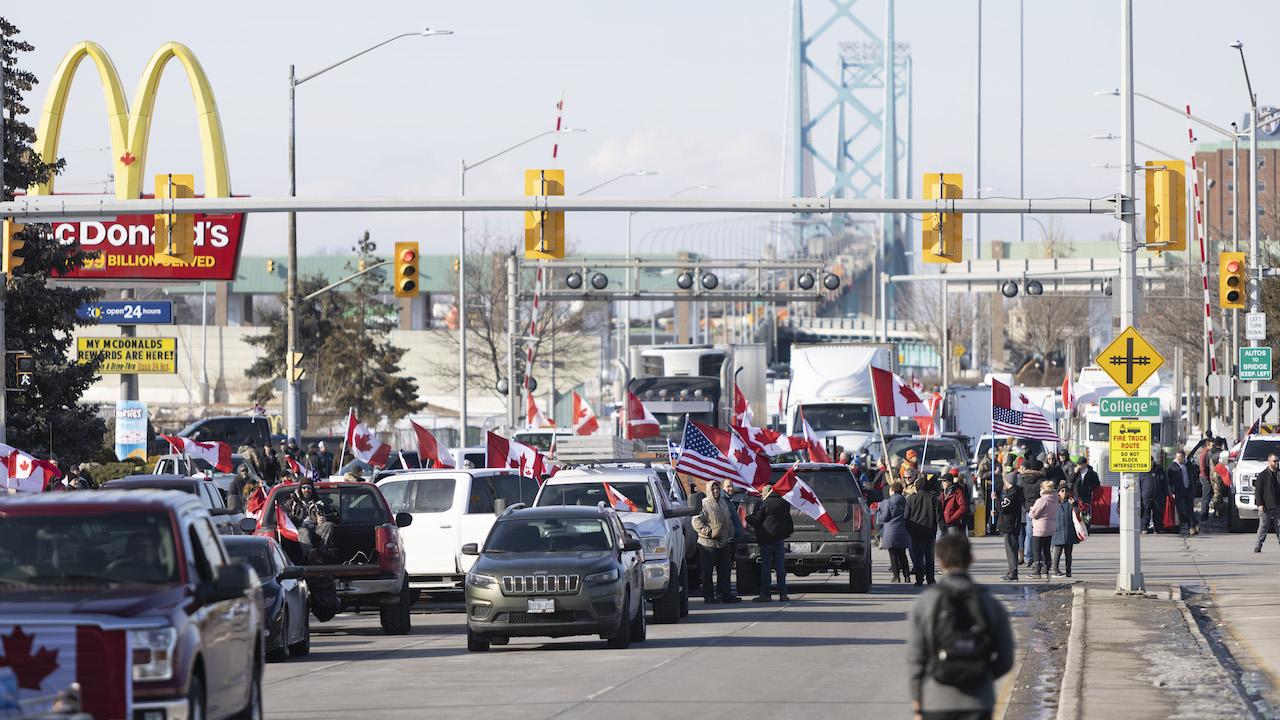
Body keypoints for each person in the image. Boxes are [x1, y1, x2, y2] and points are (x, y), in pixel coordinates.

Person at [907, 534, 1015, 720]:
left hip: (936, 702)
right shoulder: (989, 603)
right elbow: (1006, 659)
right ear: (971, 559)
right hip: (979, 703)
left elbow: (916, 659)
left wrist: (917, 702)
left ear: (940, 561)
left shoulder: (925, 603)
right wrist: (980, 676)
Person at [747, 482, 793, 602]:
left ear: (765, 493)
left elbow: (756, 520)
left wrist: (748, 517)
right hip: (779, 540)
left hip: (765, 539)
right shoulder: (784, 503)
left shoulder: (763, 503)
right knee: (780, 568)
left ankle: (765, 594)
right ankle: (783, 594)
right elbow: (788, 520)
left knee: (766, 567)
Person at [692, 481, 736, 604]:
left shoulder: (723, 502)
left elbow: (728, 519)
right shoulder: (704, 503)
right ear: (709, 491)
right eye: (713, 489)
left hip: (723, 542)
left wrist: (730, 532)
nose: (716, 491)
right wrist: (709, 532)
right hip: (708, 544)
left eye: (717, 489)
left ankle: (724, 595)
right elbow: (696, 522)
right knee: (708, 572)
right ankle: (709, 597)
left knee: (725, 571)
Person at [285, 480, 337, 563]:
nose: (306, 490)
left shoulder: (320, 502)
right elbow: (283, 515)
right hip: (300, 529)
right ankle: (310, 555)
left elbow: (335, 515)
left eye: (309, 488)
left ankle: (321, 554)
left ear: (312, 490)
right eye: (304, 488)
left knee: (328, 525)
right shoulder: (292, 503)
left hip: (317, 528)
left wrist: (325, 518)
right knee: (304, 531)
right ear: (299, 489)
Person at [905, 483, 941, 586]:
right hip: (930, 531)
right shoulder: (933, 499)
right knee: (929, 557)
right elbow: (939, 516)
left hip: (915, 532)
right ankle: (930, 579)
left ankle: (919, 579)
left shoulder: (911, 498)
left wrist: (909, 530)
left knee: (918, 557)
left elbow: (906, 517)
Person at [877, 481, 912, 583]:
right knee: (902, 554)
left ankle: (896, 576)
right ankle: (907, 576)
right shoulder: (905, 501)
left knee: (893, 555)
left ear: (892, 490)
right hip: (903, 530)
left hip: (891, 531)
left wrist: (880, 513)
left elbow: (885, 517)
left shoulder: (889, 502)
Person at [720, 479, 746, 602]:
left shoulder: (728, 499)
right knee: (725, 568)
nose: (731, 488)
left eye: (732, 486)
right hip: (728, 539)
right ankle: (725, 594)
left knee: (728, 567)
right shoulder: (723, 500)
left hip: (732, 538)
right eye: (728, 486)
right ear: (722, 487)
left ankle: (725, 593)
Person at [1029, 480, 1058, 580]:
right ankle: (1046, 570)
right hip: (1051, 526)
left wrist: (1031, 510)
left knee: (1036, 549)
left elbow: (1034, 514)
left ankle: (1036, 571)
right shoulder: (1055, 499)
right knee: (1046, 549)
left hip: (1040, 527)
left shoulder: (1042, 500)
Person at [997, 473, 1024, 582]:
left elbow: (1003, 507)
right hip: (1011, 524)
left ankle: (1013, 572)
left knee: (1011, 549)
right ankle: (1011, 570)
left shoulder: (1012, 493)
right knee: (1011, 548)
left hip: (1010, 524)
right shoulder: (1014, 492)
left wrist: (996, 499)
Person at [1019, 460, 1045, 567]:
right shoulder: (1041, 481)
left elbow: (1021, 495)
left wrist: (1025, 506)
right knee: (1041, 533)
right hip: (1040, 508)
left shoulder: (1023, 480)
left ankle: (1027, 557)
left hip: (1028, 508)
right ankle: (1039, 556)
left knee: (1029, 534)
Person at [1167, 450, 1199, 535]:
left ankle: (1191, 527)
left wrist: (1194, 487)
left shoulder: (1188, 465)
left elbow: (1194, 476)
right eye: (1177, 457)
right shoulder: (1172, 467)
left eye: (1181, 457)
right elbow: (1169, 480)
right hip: (1178, 491)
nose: (1179, 459)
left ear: (1184, 457)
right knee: (1183, 510)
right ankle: (1194, 522)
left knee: (1190, 509)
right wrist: (1171, 491)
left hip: (1188, 490)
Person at [1254, 453, 1280, 553]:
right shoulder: (1262, 475)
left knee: (1279, 525)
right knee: (1263, 526)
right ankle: (1258, 545)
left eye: (1277, 461)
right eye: (1274, 461)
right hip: (1266, 505)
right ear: (1269, 462)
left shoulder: (1279, 473)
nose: (1277, 463)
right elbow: (1258, 492)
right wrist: (1260, 504)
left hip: (1278, 504)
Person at [1051, 486, 1079, 577]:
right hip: (1057, 530)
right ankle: (1055, 569)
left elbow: (1077, 514)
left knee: (1068, 552)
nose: (1064, 493)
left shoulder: (1071, 503)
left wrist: (1074, 505)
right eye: (1062, 491)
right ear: (1058, 492)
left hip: (1069, 530)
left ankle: (1068, 570)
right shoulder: (1054, 503)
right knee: (1057, 551)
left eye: (1066, 491)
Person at [1139, 453, 1167, 534]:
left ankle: (1158, 528)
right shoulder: (1142, 471)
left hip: (1158, 495)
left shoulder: (1159, 469)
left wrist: (1165, 494)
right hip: (1146, 495)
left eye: (1150, 462)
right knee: (1145, 512)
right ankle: (1144, 528)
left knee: (1158, 513)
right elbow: (1140, 483)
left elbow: (1164, 482)